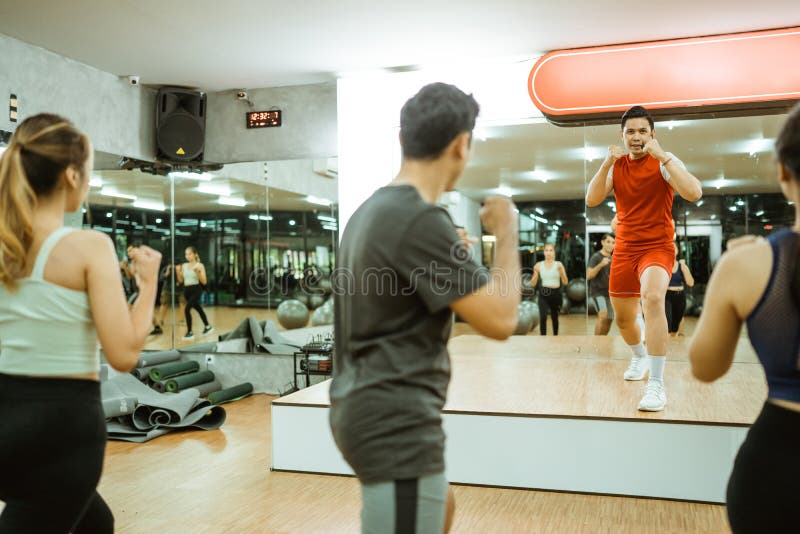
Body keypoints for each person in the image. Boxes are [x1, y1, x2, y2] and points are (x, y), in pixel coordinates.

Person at [329, 83, 520, 534]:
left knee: (441, 505)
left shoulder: (371, 210)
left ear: (402, 140)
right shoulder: (419, 218)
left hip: (363, 407)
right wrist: (507, 232)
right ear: (461, 144)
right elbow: (502, 319)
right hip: (395, 422)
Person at [0, 113, 161, 532]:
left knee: (95, 524)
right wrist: (147, 286)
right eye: (88, 171)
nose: (89, 182)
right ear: (72, 174)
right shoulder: (88, 247)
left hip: (7, 418)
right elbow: (123, 354)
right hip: (62, 426)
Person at [688, 103, 800, 533]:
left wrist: (726, 279)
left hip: (775, 471)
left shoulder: (749, 265)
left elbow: (706, 367)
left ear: (784, 174)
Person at [586, 105, 702, 411]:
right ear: (622, 136)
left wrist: (663, 155)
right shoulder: (616, 166)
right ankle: (638, 355)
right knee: (623, 319)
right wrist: (606, 162)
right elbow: (592, 198)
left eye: (642, 131)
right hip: (625, 249)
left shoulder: (664, 162)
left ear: (652, 134)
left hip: (658, 247)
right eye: (630, 132)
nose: (636, 137)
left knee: (652, 299)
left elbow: (694, 192)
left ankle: (657, 384)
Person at [530, 242, 568, 335]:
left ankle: (555, 336)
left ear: (554, 252)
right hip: (544, 293)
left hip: (556, 293)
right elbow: (533, 283)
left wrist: (561, 273)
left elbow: (565, 282)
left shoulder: (559, 264)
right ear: (544, 252)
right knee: (543, 317)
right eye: (546, 250)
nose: (548, 252)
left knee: (554, 317)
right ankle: (543, 338)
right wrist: (535, 272)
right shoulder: (539, 265)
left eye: (551, 250)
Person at [176, 245, 212, 339]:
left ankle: (190, 332)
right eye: (186, 254)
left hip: (196, 290)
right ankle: (208, 326)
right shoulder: (184, 266)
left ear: (195, 255)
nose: (187, 256)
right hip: (187, 291)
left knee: (187, 309)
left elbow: (204, 281)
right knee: (198, 308)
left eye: (189, 254)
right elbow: (180, 281)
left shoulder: (200, 265)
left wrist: (197, 273)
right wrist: (178, 272)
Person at [587, 233, 615, 335]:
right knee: (603, 315)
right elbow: (589, 275)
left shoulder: (614, 258)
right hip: (598, 292)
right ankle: (597, 342)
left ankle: (602, 340)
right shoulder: (596, 257)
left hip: (610, 294)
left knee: (609, 319)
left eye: (613, 242)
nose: (610, 245)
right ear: (602, 242)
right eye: (608, 242)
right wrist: (600, 265)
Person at [665, 242, 694, 337]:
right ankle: (664, 348)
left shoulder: (682, 266)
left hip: (680, 296)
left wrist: (685, 268)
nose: (672, 250)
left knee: (675, 328)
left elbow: (691, 283)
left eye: (674, 248)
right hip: (666, 296)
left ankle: (673, 347)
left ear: (677, 251)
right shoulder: (663, 265)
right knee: (668, 323)